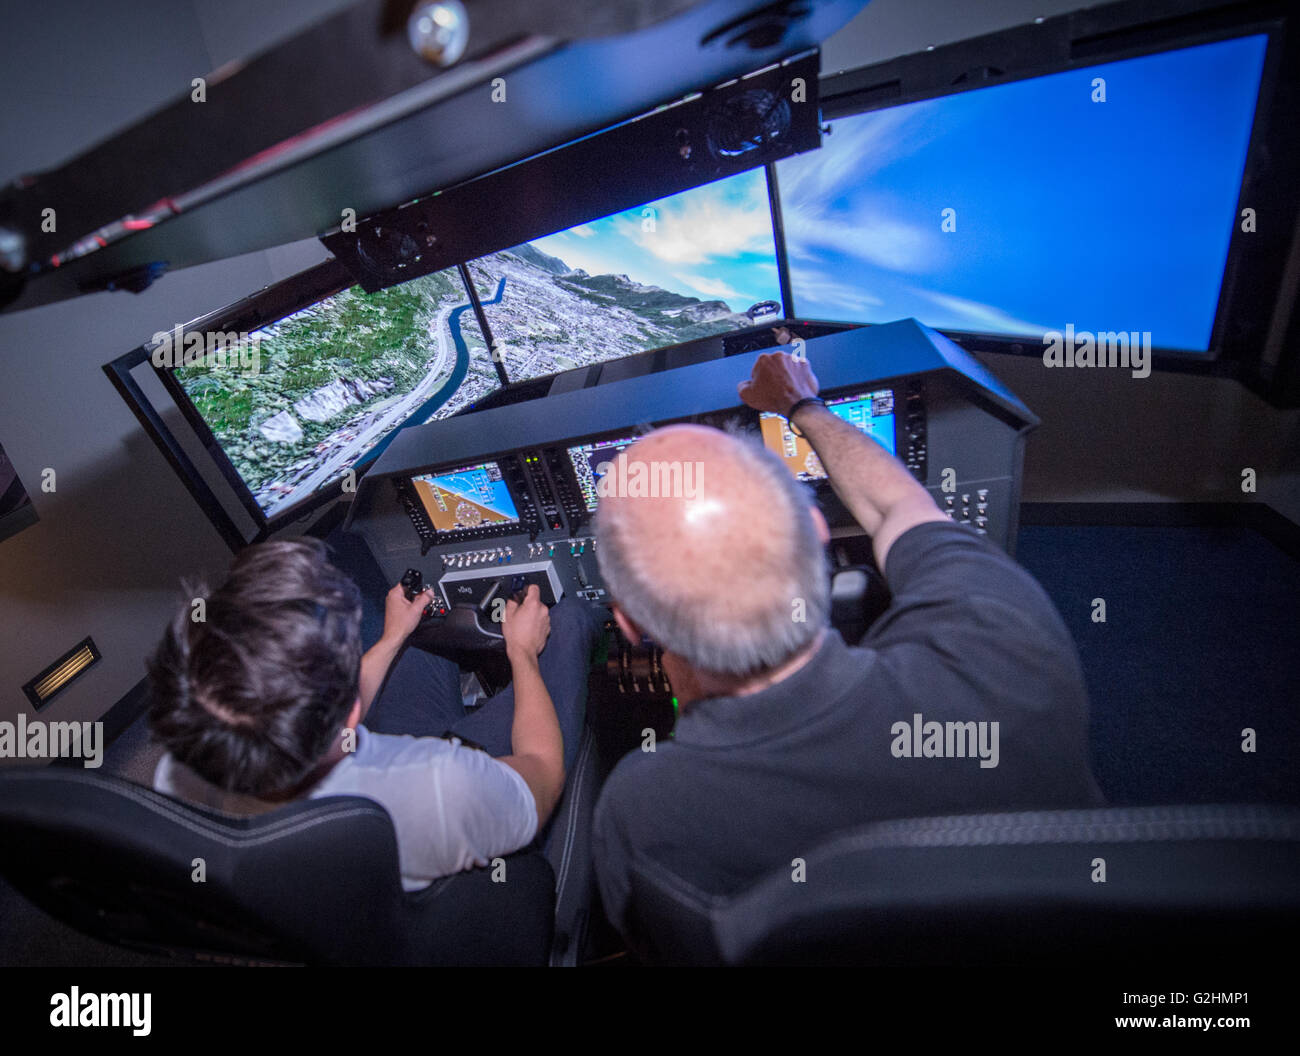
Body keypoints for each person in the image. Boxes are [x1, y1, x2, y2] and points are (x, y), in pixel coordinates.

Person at [591, 350, 1104, 943]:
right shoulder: (1003, 640)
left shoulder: (642, 810)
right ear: (814, 534)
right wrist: (801, 405)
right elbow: (898, 507)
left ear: (627, 624)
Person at [148, 537, 601, 891]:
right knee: (569, 620)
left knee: (423, 637)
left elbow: (306, 705)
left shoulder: (180, 770)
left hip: (367, 816)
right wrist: (522, 652)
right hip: (449, 816)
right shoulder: (442, 789)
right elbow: (543, 772)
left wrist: (390, 638)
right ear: (350, 718)